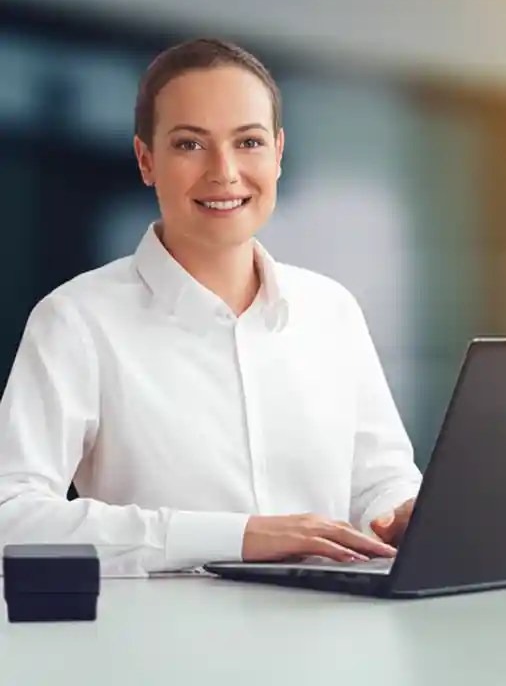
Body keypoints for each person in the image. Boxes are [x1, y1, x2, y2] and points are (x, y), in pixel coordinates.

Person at [0, 38, 421, 576]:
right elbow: (13, 522)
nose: (224, 172)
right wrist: (238, 536)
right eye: (189, 145)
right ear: (146, 160)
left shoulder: (331, 310)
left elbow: (382, 482)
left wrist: (404, 516)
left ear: (278, 153)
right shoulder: (77, 320)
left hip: (335, 644)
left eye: (248, 142)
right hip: (160, 652)